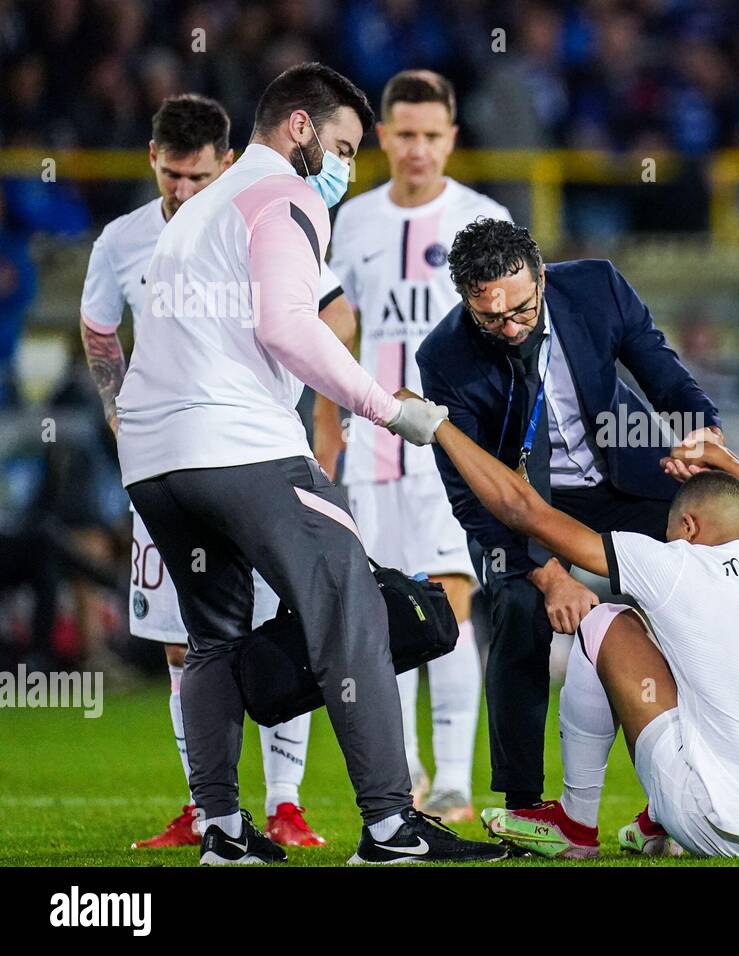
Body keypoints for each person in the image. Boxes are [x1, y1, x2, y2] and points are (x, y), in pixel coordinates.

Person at [114, 62, 504, 865]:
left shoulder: (195, 208)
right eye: (343, 145)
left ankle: (222, 831)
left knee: (215, 638)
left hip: (154, 465)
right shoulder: (283, 196)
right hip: (241, 448)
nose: (347, 167)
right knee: (354, 608)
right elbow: (291, 327)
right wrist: (388, 408)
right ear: (299, 128)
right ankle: (393, 828)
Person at [80, 93, 342, 850]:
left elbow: (331, 311)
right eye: (171, 177)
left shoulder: (261, 217)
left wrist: (318, 417)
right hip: (167, 468)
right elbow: (99, 328)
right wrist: (117, 411)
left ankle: (286, 802)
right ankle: (209, 808)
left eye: (197, 177)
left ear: (227, 163)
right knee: (180, 640)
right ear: (152, 163)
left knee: (276, 623)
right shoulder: (122, 241)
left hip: (253, 458)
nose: (184, 192)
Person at [428, 419, 739, 858]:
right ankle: (656, 824)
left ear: (688, 526)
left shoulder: (678, 563)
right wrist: (726, 461)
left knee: (605, 620)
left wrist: (442, 428)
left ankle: (576, 822)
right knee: (690, 658)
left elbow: (526, 511)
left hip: (716, 823)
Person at [416, 218, 722, 813]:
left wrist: (700, 429)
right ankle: (524, 806)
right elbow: (470, 496)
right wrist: (549, 574)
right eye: (491, 319)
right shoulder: (445, 357)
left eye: (523, 311)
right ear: (465, 302)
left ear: (542, 277)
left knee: (708, 574)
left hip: (628, 481)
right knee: (520, 607)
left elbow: (658, 367)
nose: (510, 328)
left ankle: (702, 783)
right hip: (521, 508)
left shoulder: (597, 287)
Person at [314, 71, 510, 820]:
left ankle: (457, 778)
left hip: (451, 449)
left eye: (433, 136)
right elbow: (335, 332)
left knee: (453, 599)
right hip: (370, 447)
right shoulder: (348, 221)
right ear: (383, 138)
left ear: (451, 139)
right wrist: (327, 424)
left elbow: (510, 335)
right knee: (386, 607)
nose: (418, 149)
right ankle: (406, 774)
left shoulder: (483, 221)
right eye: (405, 135)